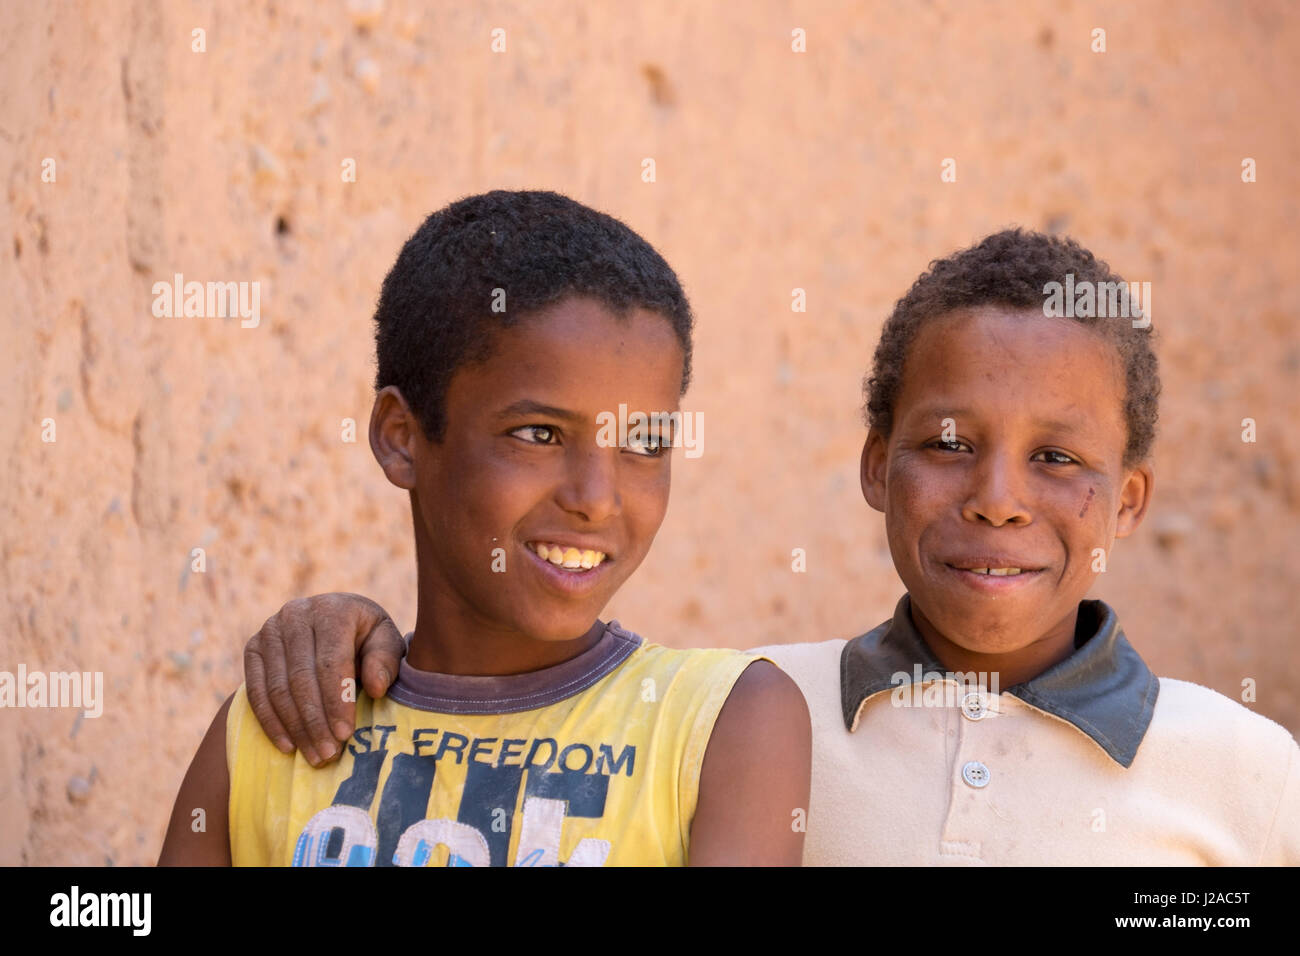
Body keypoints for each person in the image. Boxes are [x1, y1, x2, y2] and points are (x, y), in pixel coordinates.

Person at [247, 228, 1299, 864]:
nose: (996, 499)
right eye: (946, 443)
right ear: (873, 464)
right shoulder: (743, 717)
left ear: (1127, 501)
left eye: (1058, 459)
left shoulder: (1243, 773)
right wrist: (348, 630)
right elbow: (527, 681)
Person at [158, 190, 810, 867]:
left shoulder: (720, 725)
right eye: (539, 434)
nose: (596, 499)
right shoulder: (279, 730)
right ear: (401, 438)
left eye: (643, 442)